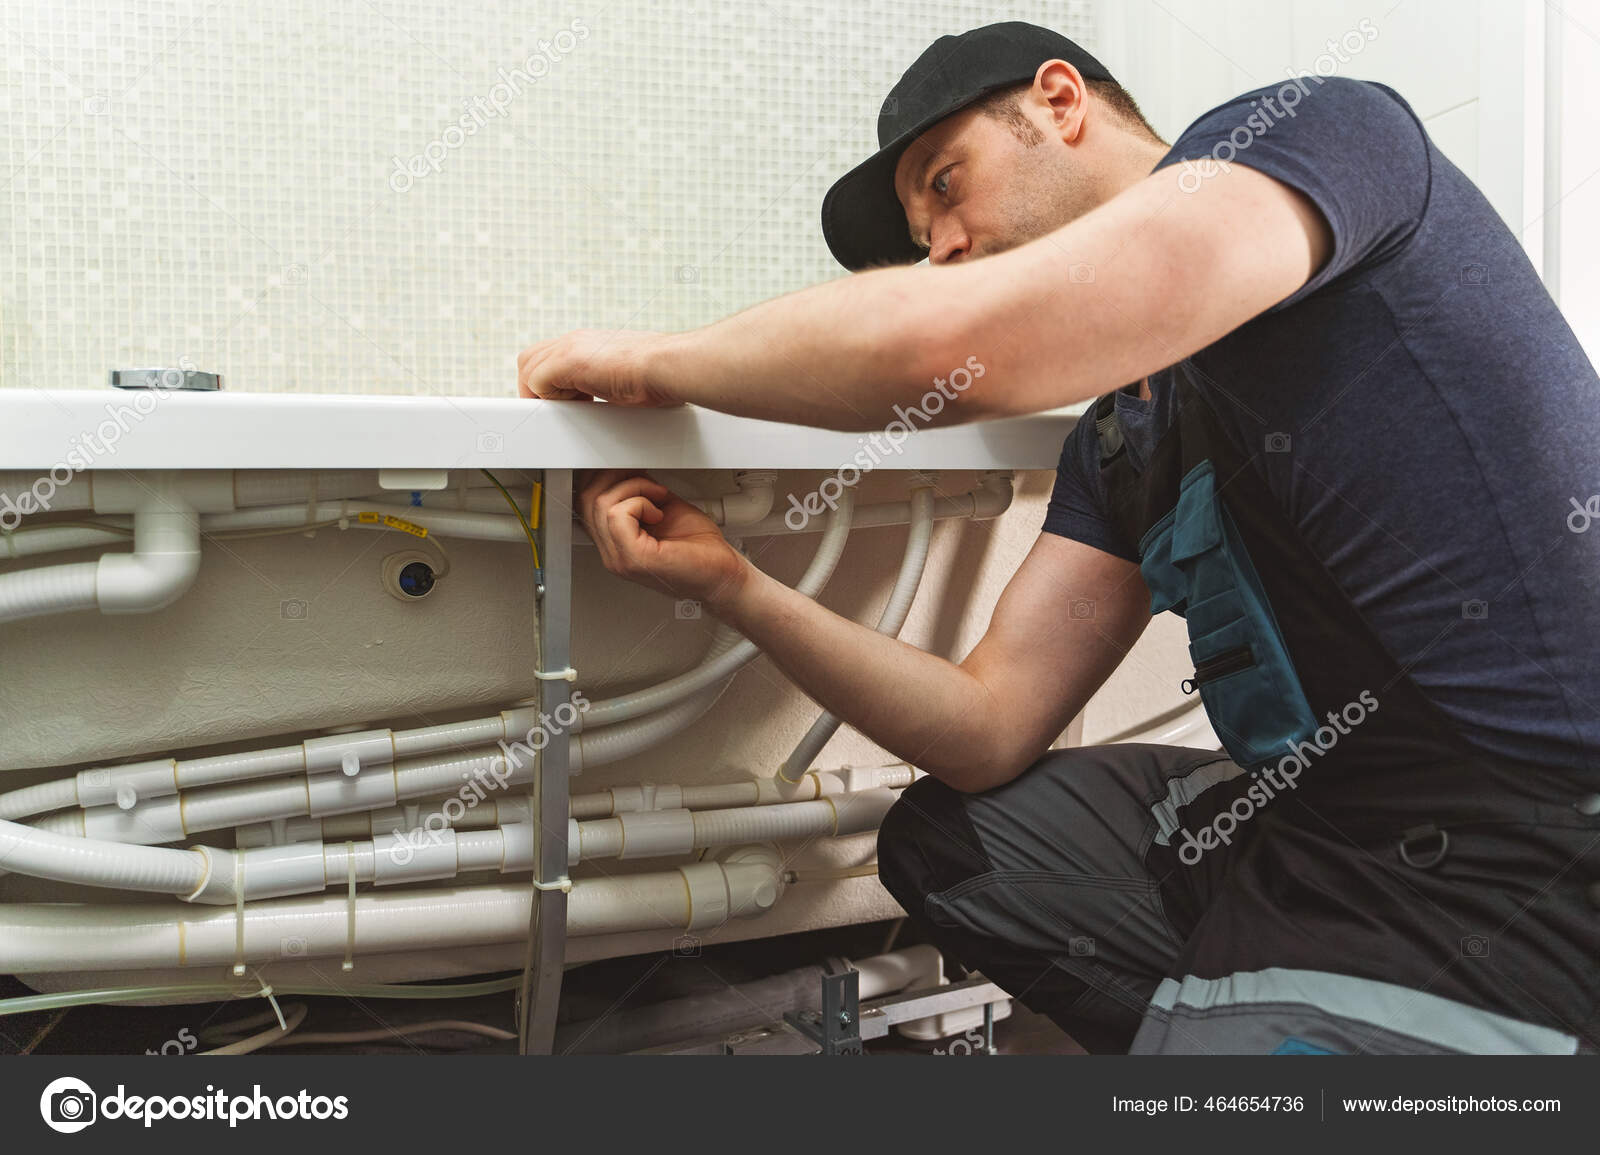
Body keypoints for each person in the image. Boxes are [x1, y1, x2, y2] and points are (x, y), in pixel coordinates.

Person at [518, 22, 1600, 1053]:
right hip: (1329, 830)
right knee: (963, 843)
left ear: (1059, 101)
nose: (939, 249)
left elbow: (961, 344)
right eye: (920, 240)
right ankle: (1268, 1015)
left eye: (945, 184)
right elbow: (987, 724)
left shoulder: (1317, 137)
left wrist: (650, 364)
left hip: (1528, 852)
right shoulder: (1127, 436)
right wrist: (732, 585)